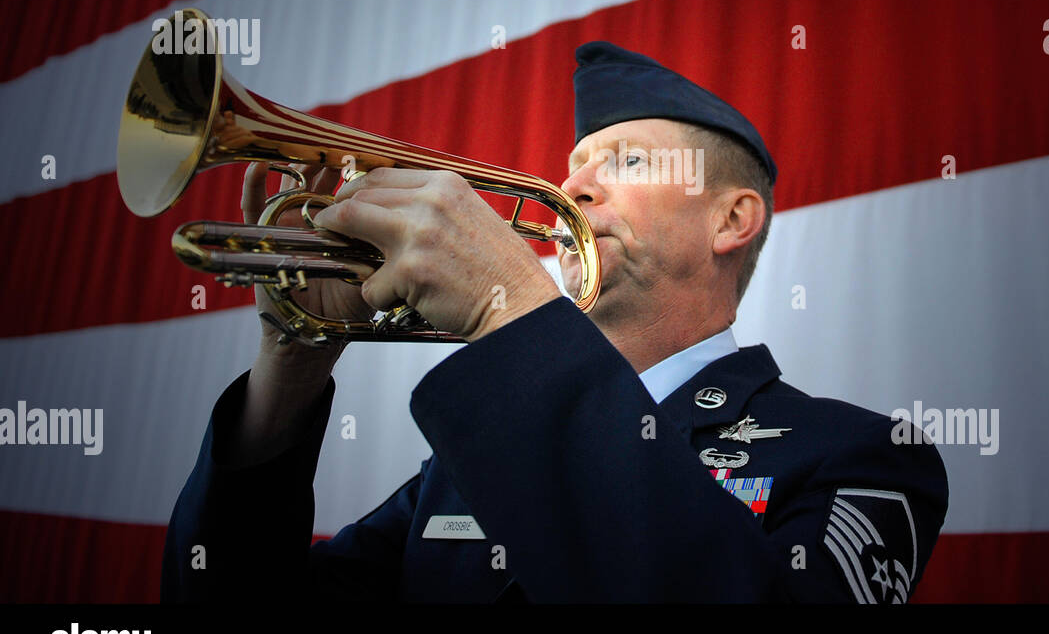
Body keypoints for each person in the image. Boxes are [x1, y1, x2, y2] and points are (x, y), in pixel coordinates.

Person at [162, 42, 948, 602]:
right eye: (573, 169)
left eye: (626, 162)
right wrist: (291, 358)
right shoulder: (464, 464)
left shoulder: (861, 457)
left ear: (732, 219)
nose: (572, 190)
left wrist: (513, 318)